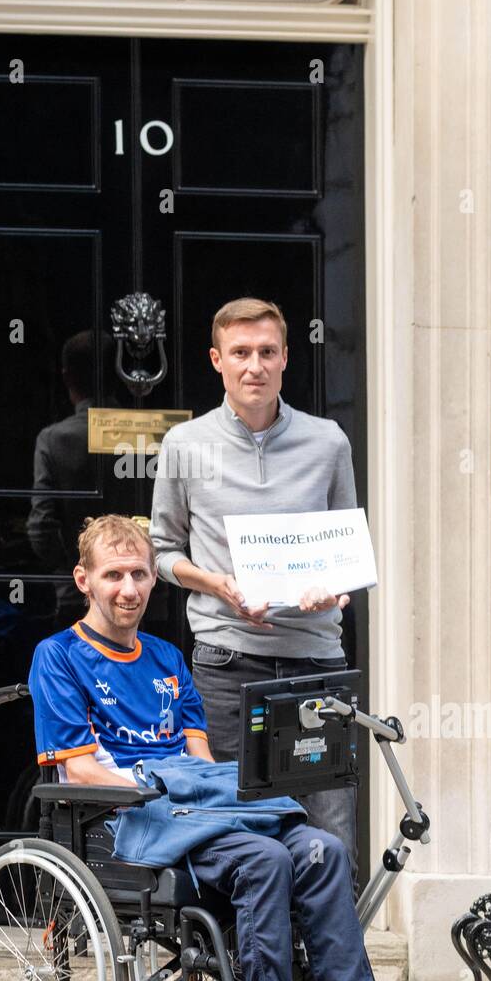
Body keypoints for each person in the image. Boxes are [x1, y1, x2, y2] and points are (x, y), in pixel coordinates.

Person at [27, 514, 426, 981]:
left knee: (321, 850)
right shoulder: (58, 657)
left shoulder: (167, 657)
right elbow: (84, 772)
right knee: (264, 860)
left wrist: (214, 800)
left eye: (140, 574)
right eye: (114, 574)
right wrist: (163, 790)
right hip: (126, 820)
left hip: (194, 807)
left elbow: (203, 763)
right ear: (84, 579)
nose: (129, 589)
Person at [149, 297, 360, 878]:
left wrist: (333, 589)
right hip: (224, 665)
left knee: (330, 833)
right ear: (217, 360)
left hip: (314, 665)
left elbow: (346, 553)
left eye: (267, 352)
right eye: (240, 353)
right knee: (233, 832)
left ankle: (326, 969)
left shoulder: (328, 442)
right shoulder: (184, 446)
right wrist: (216, 583)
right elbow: (162, 553)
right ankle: (242, 967)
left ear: (286, 358)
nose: (254, 366)